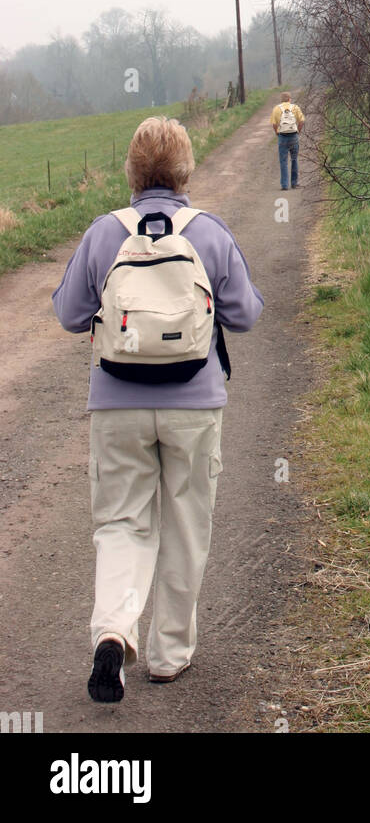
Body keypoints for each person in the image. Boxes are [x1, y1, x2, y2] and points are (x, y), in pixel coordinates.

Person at [52, 116, 263, 703]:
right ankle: (170, 654)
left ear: (132, 171)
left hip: (117, 404)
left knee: (121, 524)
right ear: (186, 170)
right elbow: (246, 314)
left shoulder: (103, 234)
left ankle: (114, 632)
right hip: (194, 406)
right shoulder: (209, 232)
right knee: (187, 525)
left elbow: (69, 314)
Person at [270, 91, 305, 190]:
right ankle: (294, 183)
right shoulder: (295, 107)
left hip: (283, 137)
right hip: (293, 135)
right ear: (290, 99)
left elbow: (274, 124)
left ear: (281, 100)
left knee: (283, 161)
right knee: (294, 159)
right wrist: (298, 131)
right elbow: (302, 121)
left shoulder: (276, 109)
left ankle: (284, 185)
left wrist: (277, 132)